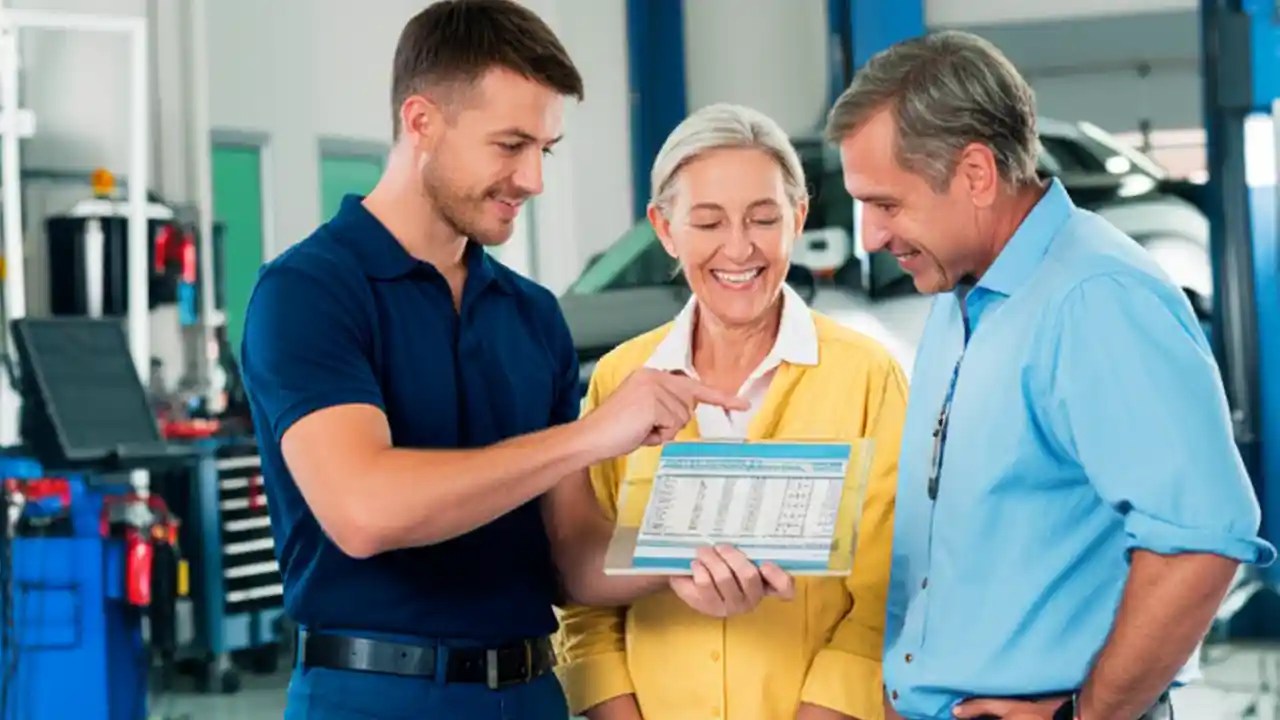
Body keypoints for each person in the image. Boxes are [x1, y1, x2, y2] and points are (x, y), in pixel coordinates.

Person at [239, 3, 788, 718]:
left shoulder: (531, 315)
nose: (532, 179)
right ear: (421, 122)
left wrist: (700, 554)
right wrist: (593, 435)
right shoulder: (309, 292)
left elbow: (574, 559)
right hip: (374, 693)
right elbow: (364, 509)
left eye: (545, 150)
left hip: (531, 692)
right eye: (510, 145)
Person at [823, 30, 1276, 720]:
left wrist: (1086, 715)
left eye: (886, 203)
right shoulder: (959, 292)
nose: (872, 237)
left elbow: (1200, 540)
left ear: (976, 174)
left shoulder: (1094, 299)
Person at [552, 103, 907, 720]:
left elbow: (886, 598)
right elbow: (585, 609)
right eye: (708, 222)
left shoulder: (868, 377)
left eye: (763, 218)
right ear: (665, 229)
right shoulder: (618, 381)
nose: (739, 248)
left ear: (797, 218)